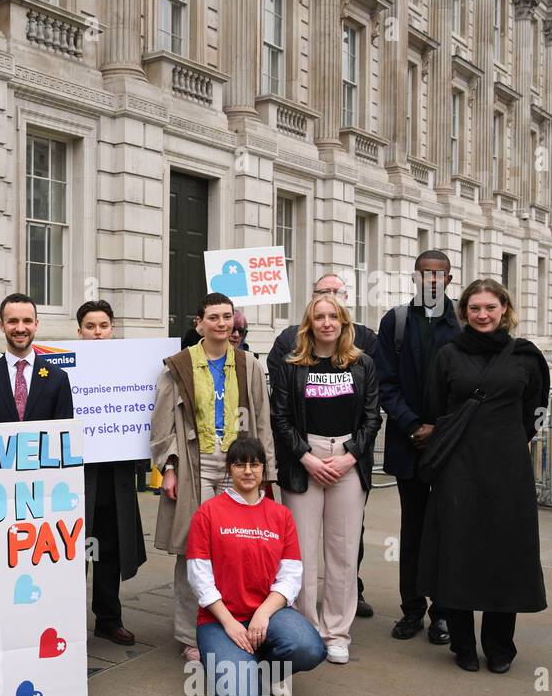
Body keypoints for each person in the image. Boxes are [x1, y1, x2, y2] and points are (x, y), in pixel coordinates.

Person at [418, 279, 549, 673]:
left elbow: (534, 411)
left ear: (504, 309)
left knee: (503, 553)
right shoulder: (447, 355)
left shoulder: (526, 356)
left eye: (490, 307)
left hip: (508, 469)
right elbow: (436, 406)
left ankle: (499, 645)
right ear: (464, 313)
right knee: (457, 550)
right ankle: (462, 643)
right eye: (475, 308)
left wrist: (510, 441)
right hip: (459, 466)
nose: (483, 314)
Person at [151, 290, 275, 662]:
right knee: (195, 550)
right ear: (199, 323)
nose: (222, 324)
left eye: (227, 317)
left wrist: (266, 470)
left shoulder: (248, 363)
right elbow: (161, 423)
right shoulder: (178, 366)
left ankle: (236, 622)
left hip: (241, 467)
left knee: (241, 545)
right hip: (195, 465)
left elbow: (263, 420)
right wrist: (168, 468)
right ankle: (190, 633)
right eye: (215, 318)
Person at [269, 294, 381, 664]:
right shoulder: (291, 364)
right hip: (305, 459)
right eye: (320, 316)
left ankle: (337, 632)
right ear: (309, 323)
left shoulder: (362, 364)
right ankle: (305, 628)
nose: (327, 322)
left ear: (344, 321)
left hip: (348, 458)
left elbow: (372, 418)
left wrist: (350, 456)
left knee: (344, 552)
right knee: (301, 553)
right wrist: (306, 457)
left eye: (334, 316)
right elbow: (280, 417)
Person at [185, 437, 326, 696]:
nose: (248, 471)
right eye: (239, 464)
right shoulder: (208, 513)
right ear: (229, 468)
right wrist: (231, 625)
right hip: (219, 620)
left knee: (309, 648)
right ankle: (234, 664)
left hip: (269, 614)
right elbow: (199, 577)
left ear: (264, 468)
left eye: (255, 464)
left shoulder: (280, 515)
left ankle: (262, 668)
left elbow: (290, 575)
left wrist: (262, 614)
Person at [375, 250, 461, 645]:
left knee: (444, 531)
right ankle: (412, 610)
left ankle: (443, 613)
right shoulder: (396, 322)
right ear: (415, 277)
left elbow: (468, 389)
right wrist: (412, 424)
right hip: (408, 443)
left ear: (448, 279)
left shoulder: (461, 325)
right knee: (412, 531)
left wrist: (439, 428)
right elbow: (385, 384)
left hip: (450, 447)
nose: (431, 279)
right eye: (424, 273)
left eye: (438, 274)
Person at [77, 301, 147, 645]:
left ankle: (108, 618)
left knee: (110, 552)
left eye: (103, 325)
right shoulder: (63, 369)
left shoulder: (130, 367)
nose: (97, 332)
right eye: (90, 326)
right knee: (76, 555)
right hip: (79, 481)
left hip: (115, 479)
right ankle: (69, 620)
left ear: (112, 329)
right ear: (80, 332)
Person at [0, 293, 74, 423]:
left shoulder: (58, 378)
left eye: (27, 321)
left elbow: (64, 435)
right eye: (13, 321)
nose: (20, 328)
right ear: (1, 325)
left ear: (36, 324)